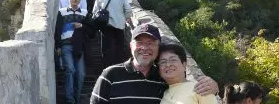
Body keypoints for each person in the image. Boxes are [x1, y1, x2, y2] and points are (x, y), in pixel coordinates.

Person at [91, 23, 219, 104]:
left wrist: (214, 87)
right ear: (131, 46)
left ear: (158, 47)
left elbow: (184, 87)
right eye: (140, 42)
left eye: (151, 43)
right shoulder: (110, 74)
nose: (145, 47)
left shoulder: (163, 79)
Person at [55, 0, 95, 104]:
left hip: (80, 47)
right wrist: (58, 46)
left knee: (81, 74)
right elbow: (57, 30)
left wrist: (81, 25)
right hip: (66, 45)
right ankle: (70, 100)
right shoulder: (62, 12)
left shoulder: (84, 13)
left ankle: (76, 98)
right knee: (70, 70)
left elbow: (92, 32)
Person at [92, 0, 132, 68]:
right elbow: (128, 10)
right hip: (119, 26)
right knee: (119, 46)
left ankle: (107, 67)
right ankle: (119, 66)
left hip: (105, 25)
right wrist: (125, 17)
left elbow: (95, 11)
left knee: (107, 47)